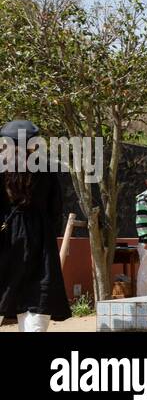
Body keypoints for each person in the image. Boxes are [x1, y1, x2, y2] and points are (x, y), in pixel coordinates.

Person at [0, 119, 72, 332]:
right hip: (40, 240)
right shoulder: (46, 168)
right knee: (37, 298)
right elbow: (55, 208)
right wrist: (48, 231)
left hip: (6, 238)